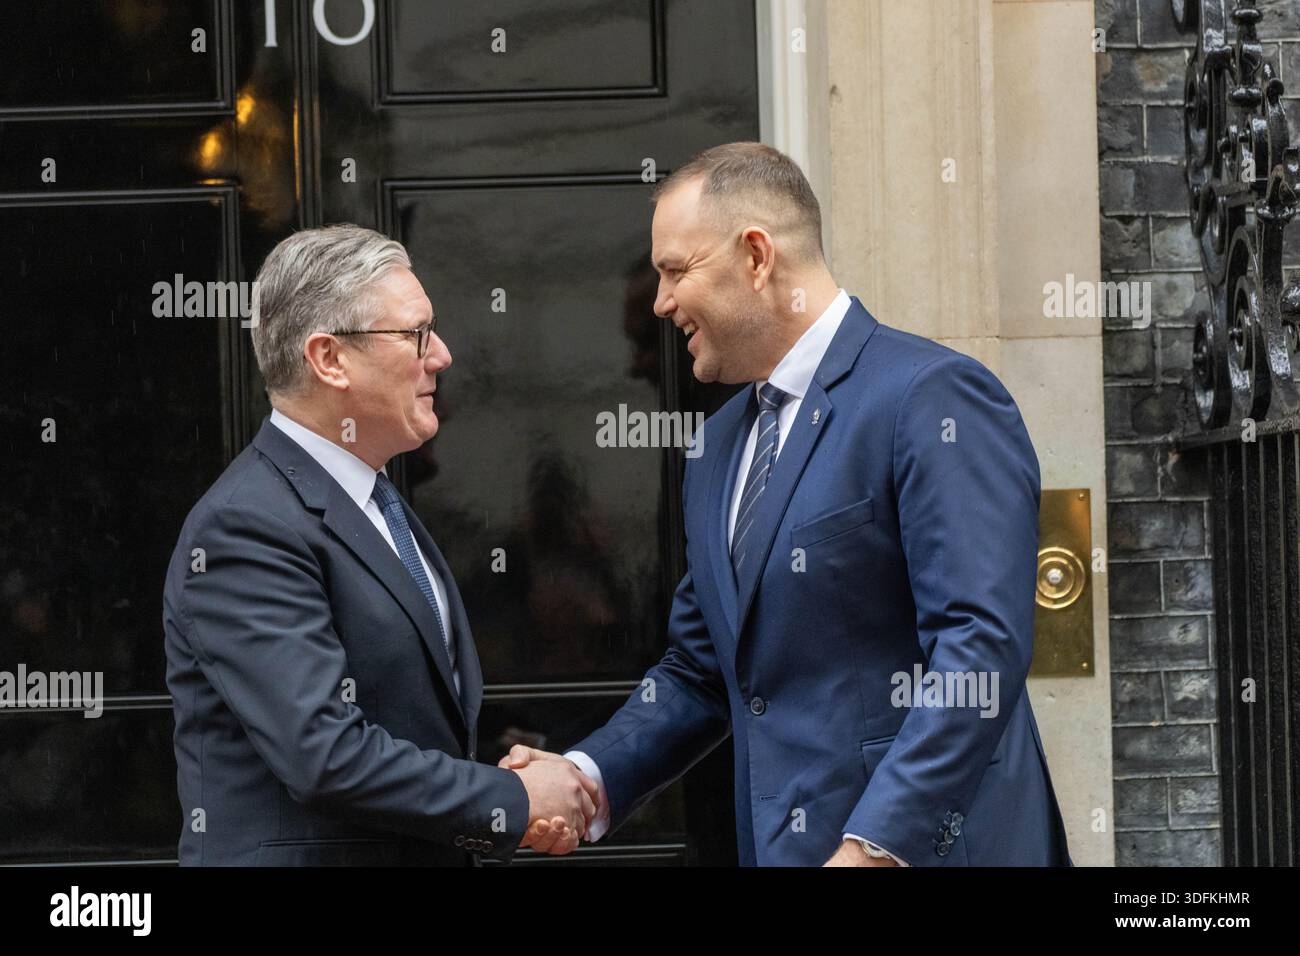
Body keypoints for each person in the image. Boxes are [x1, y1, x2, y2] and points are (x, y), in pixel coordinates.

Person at [504, 142, 1072, 867]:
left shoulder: (931, 397)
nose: (661, 302)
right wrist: (584, 775)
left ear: (756, 255)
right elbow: (701, 670)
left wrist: (875, 848)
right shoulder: (715, 447)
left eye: (677, 270)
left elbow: (980, 649)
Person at [163, 224, 597, 865]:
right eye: (415, 333)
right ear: (329, 358)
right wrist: (512, 799)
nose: (442, 354)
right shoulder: (246, 526)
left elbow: (411, 716)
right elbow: (325, 756)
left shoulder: (375, 499)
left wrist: (515, 782)